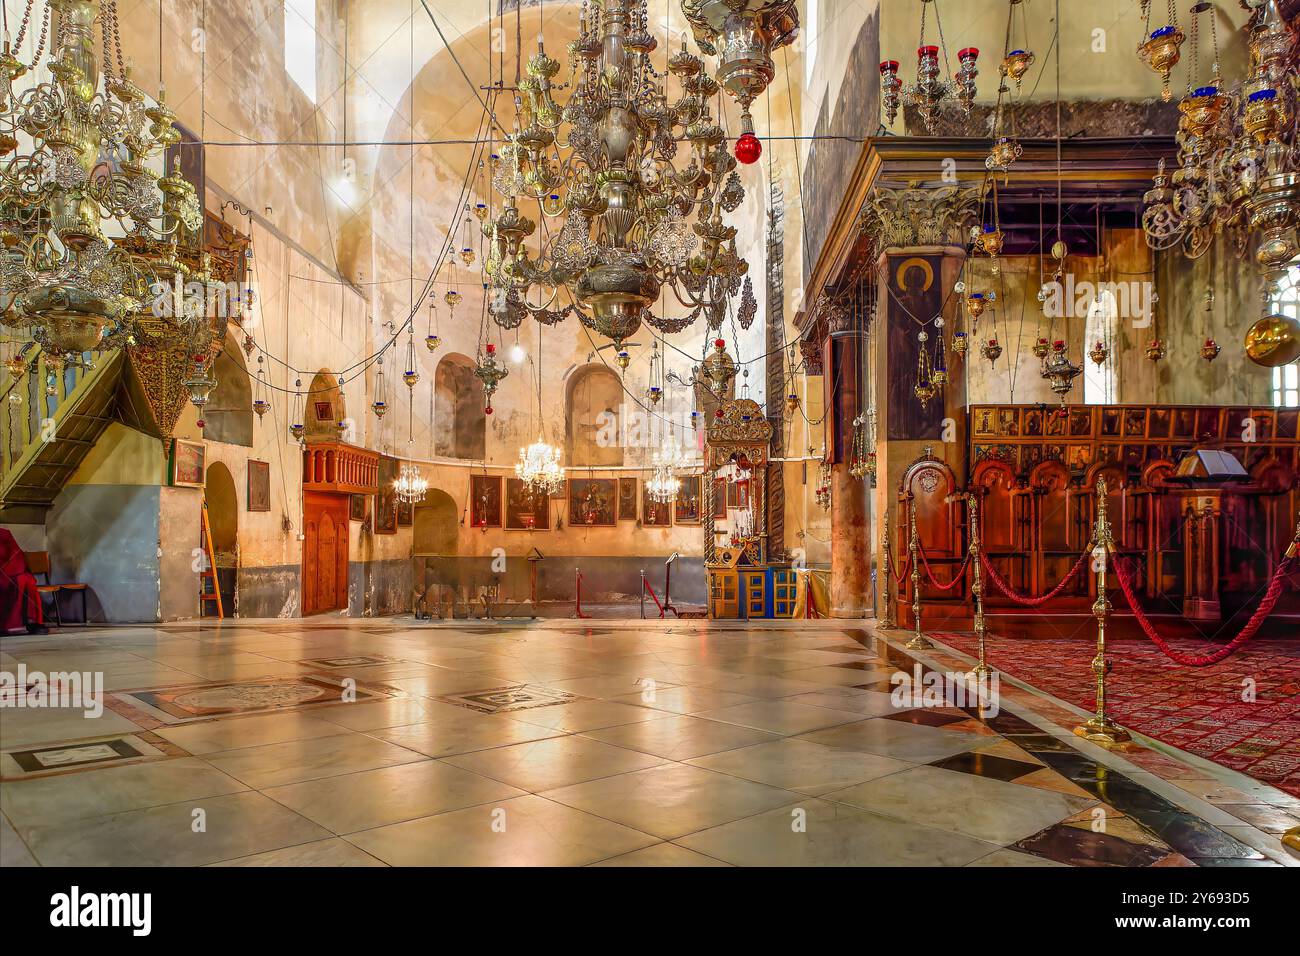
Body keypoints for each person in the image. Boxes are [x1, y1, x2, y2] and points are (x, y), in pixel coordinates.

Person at [0, 528, 47, 635]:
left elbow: (17, 556)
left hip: (10, 571)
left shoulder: (4, 534)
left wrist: (12, 571)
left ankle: (33, 621)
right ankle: (7, 624)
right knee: (18, 580)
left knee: (26, 579)